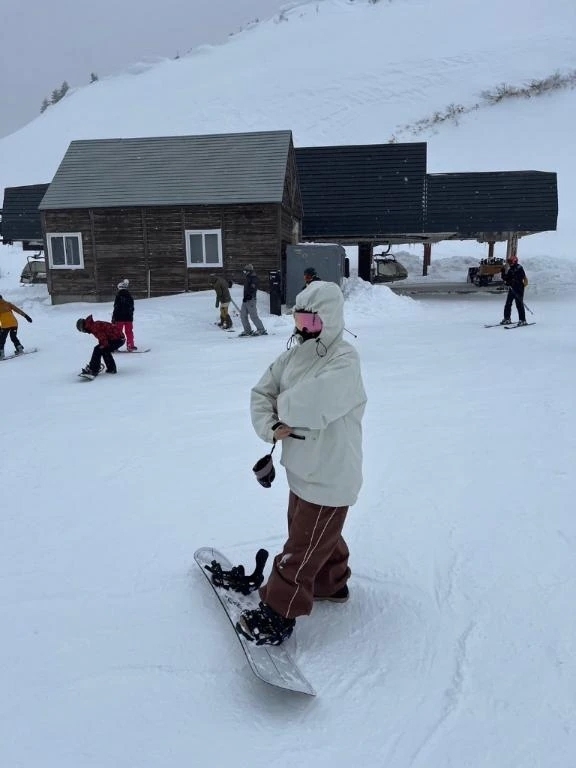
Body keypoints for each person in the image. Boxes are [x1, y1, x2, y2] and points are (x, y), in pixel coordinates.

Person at [237, 280, 367, 646]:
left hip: (330, 473)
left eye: (312, 323)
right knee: (313, 534)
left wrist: (282, 406)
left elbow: (315, 402)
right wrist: (270, 423)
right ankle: (331, 584)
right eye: (299, 320)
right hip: (300, 469)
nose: (303, 330)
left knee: (302, 546)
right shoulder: (293, 356)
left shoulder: (345, 359)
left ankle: (279, 612)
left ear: (330, 320)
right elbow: (262, 391)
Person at [0, 295, 32, 359]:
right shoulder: (8, 304)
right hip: (14, 324)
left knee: (2, 339)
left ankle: (1, 354)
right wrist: (26, 316)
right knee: (13, 337)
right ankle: (19, 349)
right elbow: (17, 310)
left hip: (5, 325)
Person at [239, 264, 267, 337]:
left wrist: (248, 296)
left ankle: (261, 330)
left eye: (245, 271)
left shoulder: (254, 278)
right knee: (243, 315)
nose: (244, 272)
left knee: (253, 316)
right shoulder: (247, 278)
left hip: (251, 299)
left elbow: (253, 288)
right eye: (244, 271)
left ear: (249, 271)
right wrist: (245, 297)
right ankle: (247, 330)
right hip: (245, 300)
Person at [500, 254, 528, 325]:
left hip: (518, 289)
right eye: (509, 262)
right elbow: (507, 278)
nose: (509, 263)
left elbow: (519, 278)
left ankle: (522, 320)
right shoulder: (511, 269)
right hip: (512, 289)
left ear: (514, 261)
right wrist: (503, 273)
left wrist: (511, 281)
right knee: (508, 304)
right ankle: (507, 318)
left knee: (519, 304)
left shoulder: (519, 268)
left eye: (510, 262)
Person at [112, 279, 137, 350]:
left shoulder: (118, 296)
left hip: (119, 318)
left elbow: (116, 308)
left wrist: (114, 318)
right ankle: (130, 346)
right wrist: (131, 316)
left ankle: (114, 346)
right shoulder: (130, 297)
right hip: (128, 318)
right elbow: (132, 308)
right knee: (129, 332)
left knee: (117, 333)